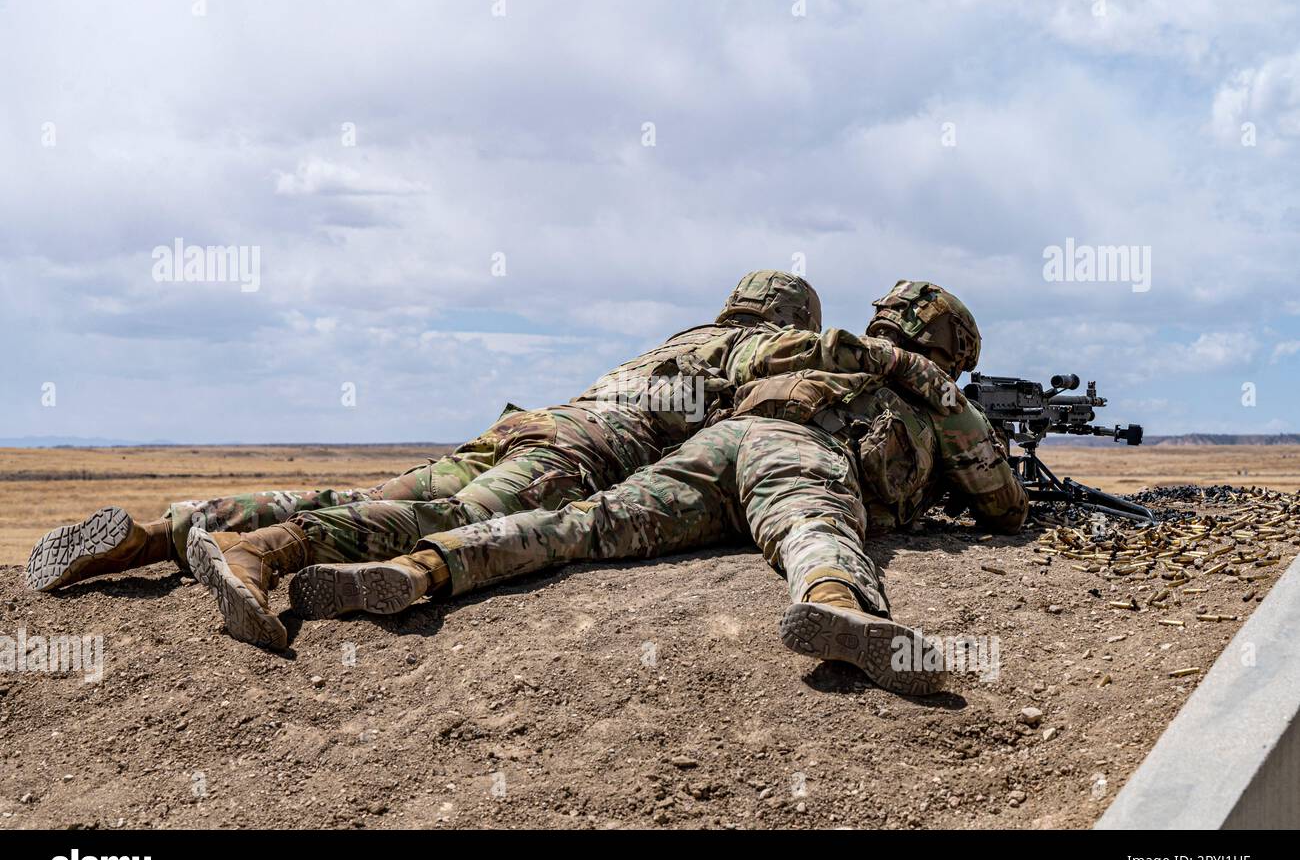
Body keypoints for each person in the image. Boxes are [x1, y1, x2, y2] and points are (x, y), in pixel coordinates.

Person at [272, 284, 1028, 697]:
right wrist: (947, 410)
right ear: (952, 355)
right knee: (813, 531)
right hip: (801, 459)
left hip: (718, 448)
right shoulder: (934, 401)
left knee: (584, 525)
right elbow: (1005, 509)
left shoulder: (812, 355)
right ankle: (834, 608)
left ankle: (417, 570)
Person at [26, 269, 819, 602]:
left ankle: (156, 535)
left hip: (526, 425)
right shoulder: (744, 349)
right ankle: (269, 552)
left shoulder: (674, 338)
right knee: (445, 521)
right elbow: (769, 396)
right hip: (574, 455)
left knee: (369, 492)